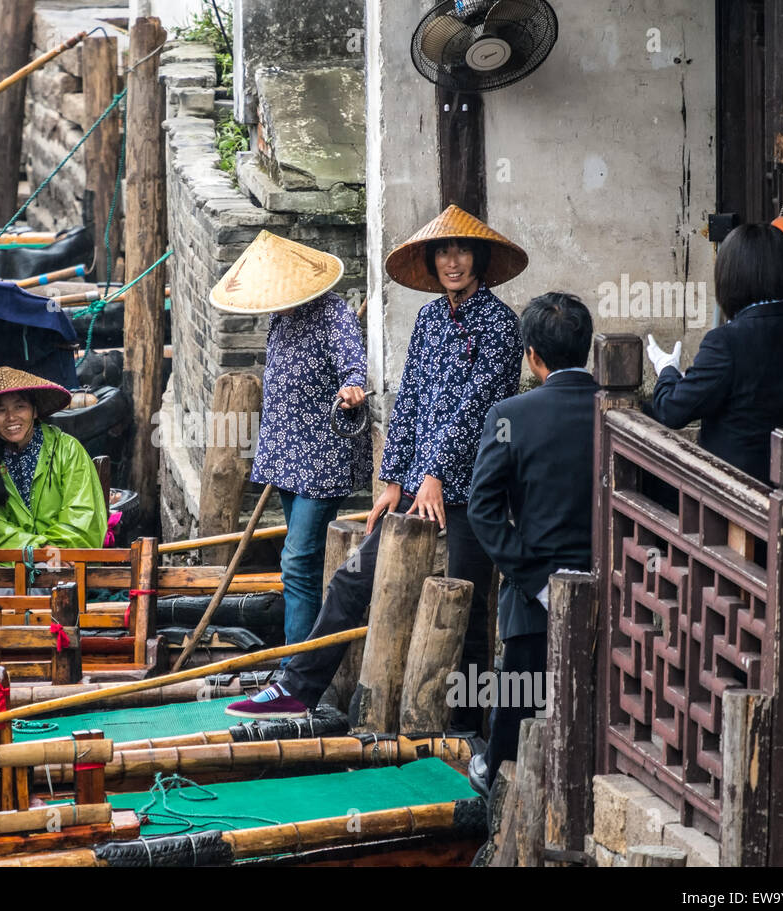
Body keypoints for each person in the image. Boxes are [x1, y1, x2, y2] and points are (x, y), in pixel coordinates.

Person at [226, 205, 527, 728]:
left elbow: (476, 408)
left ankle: (468, 728)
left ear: (478, 258)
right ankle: (296, 689)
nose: (451, 262)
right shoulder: (431, 319)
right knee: (350, 581)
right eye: (442, 252)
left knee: (468, 607)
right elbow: (410, 400)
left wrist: (434, 472)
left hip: (471, 489)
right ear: (432, 261)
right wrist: (393, 479)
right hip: (416, 490)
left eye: (460, 251)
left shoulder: (501, 326)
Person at [208, 231, 370, 667]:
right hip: (285, 457)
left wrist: (353, 387)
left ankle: (296, 669)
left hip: (321, 459)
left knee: (298, 560)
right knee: (298, 563)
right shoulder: (280, 320)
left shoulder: (334, 314)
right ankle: (301, 656)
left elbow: (353, 367)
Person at [465, 292, 599, 796]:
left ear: (533, 356)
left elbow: (483, 509)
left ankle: (496, 773)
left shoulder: (511, 415)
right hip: (608, 590)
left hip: (532, 595)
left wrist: (535, 580)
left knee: (512, 727)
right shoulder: (625, 412)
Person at [646, 222, 783, 485]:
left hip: (734, 491)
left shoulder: (726, 342)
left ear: (731, 277)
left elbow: (672, 410)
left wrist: (667, 370)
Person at [0, 367, 107, 550]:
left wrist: (53, 551)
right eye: (1, 410)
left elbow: (82, 515)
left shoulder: (67, 450)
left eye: (20, 407)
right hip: (11, 569)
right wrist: (38, 549)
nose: (11, 417)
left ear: (34, 411)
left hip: (68, 564)